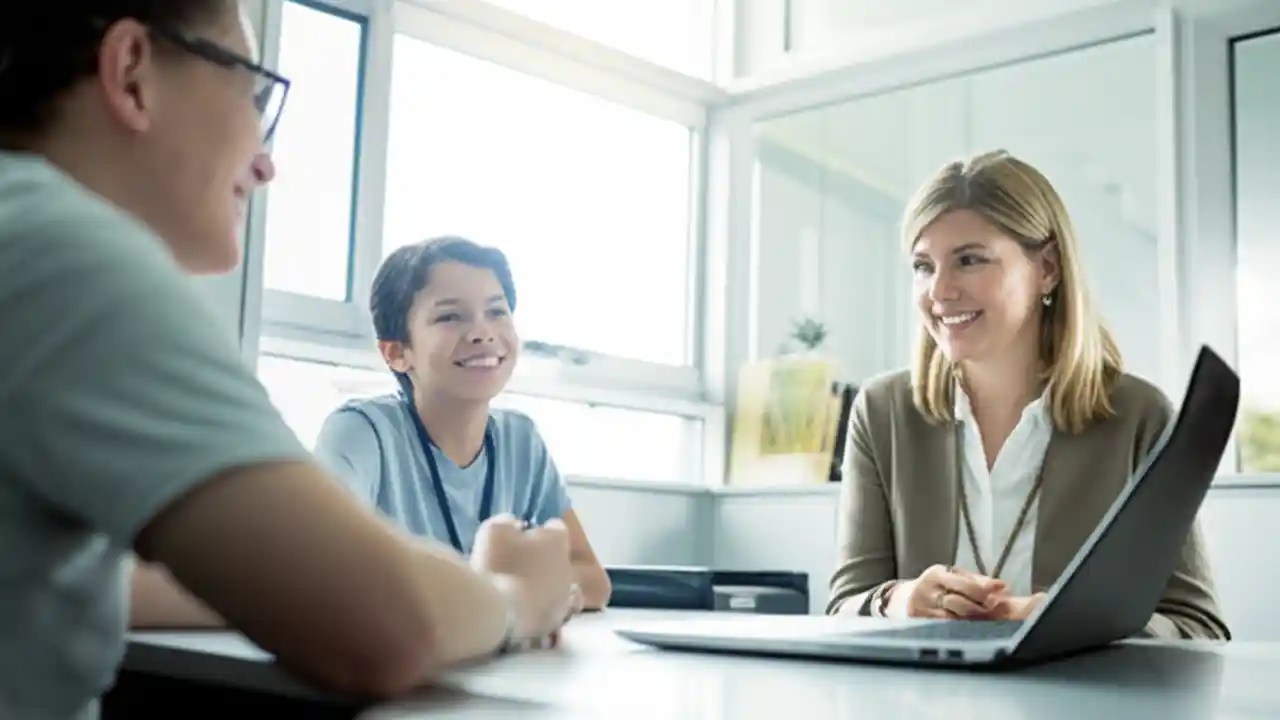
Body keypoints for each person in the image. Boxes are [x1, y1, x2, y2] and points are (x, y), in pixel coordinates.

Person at [0, 3, 578, 717]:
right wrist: (515, 598)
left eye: (497, 311)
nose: (268, 164)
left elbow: (128, 579)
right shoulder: (60, 254)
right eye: (255, 96)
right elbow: (383, 627)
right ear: (132, 73)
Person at [825, 150, 1229, 640]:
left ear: (1048, 268)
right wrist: (899, 600)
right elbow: (844, 607)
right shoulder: (882, 411)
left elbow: (1200, 627)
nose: (940, 291)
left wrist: (1070, 622)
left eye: (969, 260)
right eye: (923, 266)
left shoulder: (1138, 416)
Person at [313, 237, 612, 611]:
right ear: (398, 352)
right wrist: (512, 594)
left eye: (496, 312)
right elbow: (321, 563)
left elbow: (591, 578)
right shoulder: (361, 432)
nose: (483, 332)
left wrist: (509, 598)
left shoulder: (521, 440)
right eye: (450, 316)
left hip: (491, 658)